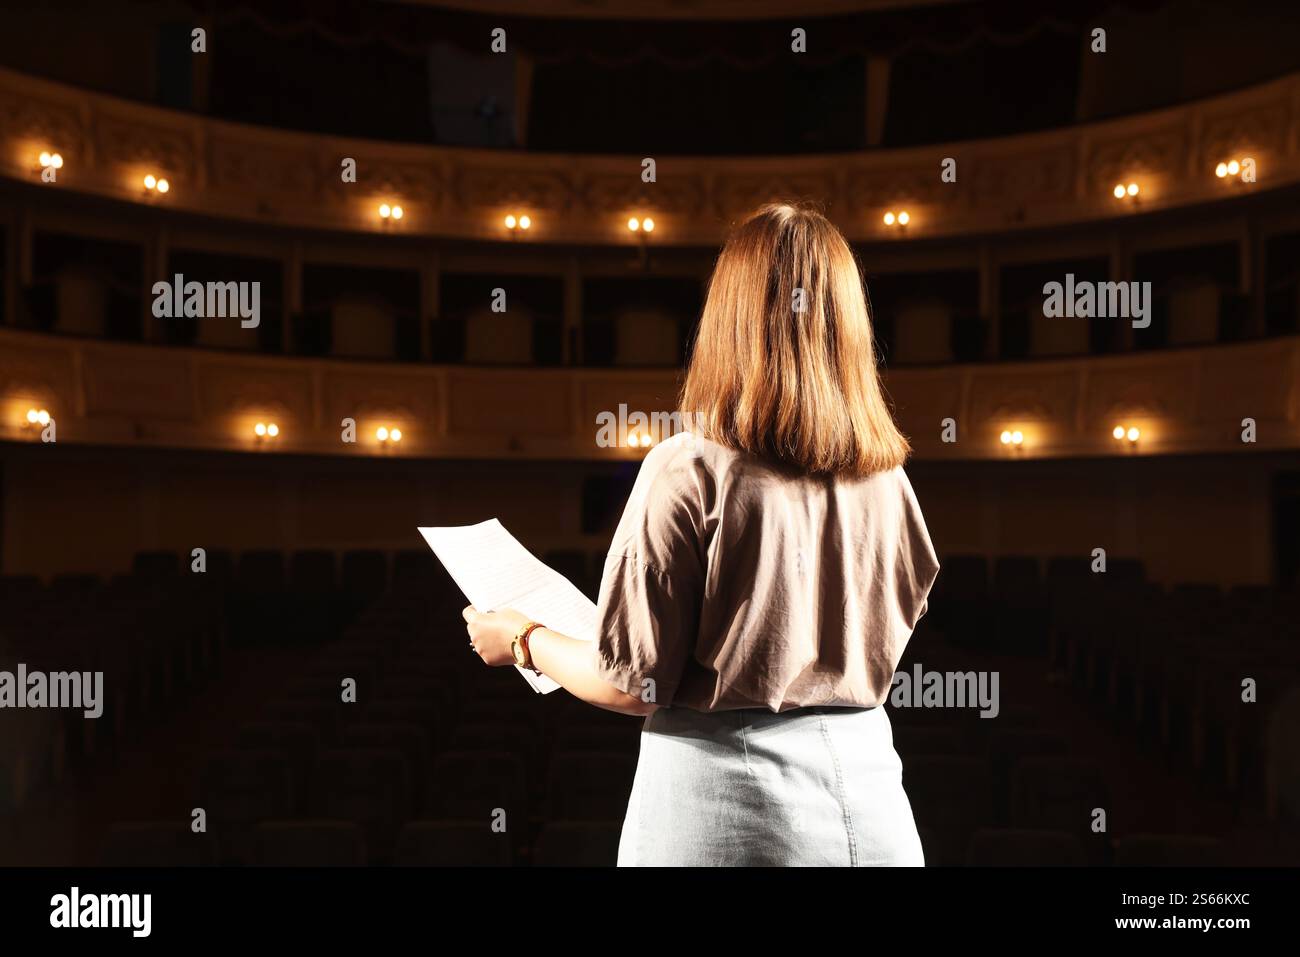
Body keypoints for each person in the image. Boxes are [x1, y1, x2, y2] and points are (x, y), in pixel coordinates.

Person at [463, 202, 940, 866]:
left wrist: (522, 638)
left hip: (731, 815)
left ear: (729, 318)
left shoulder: (688, 466)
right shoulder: (890, 480)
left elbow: (632, 685)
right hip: (875, 806)